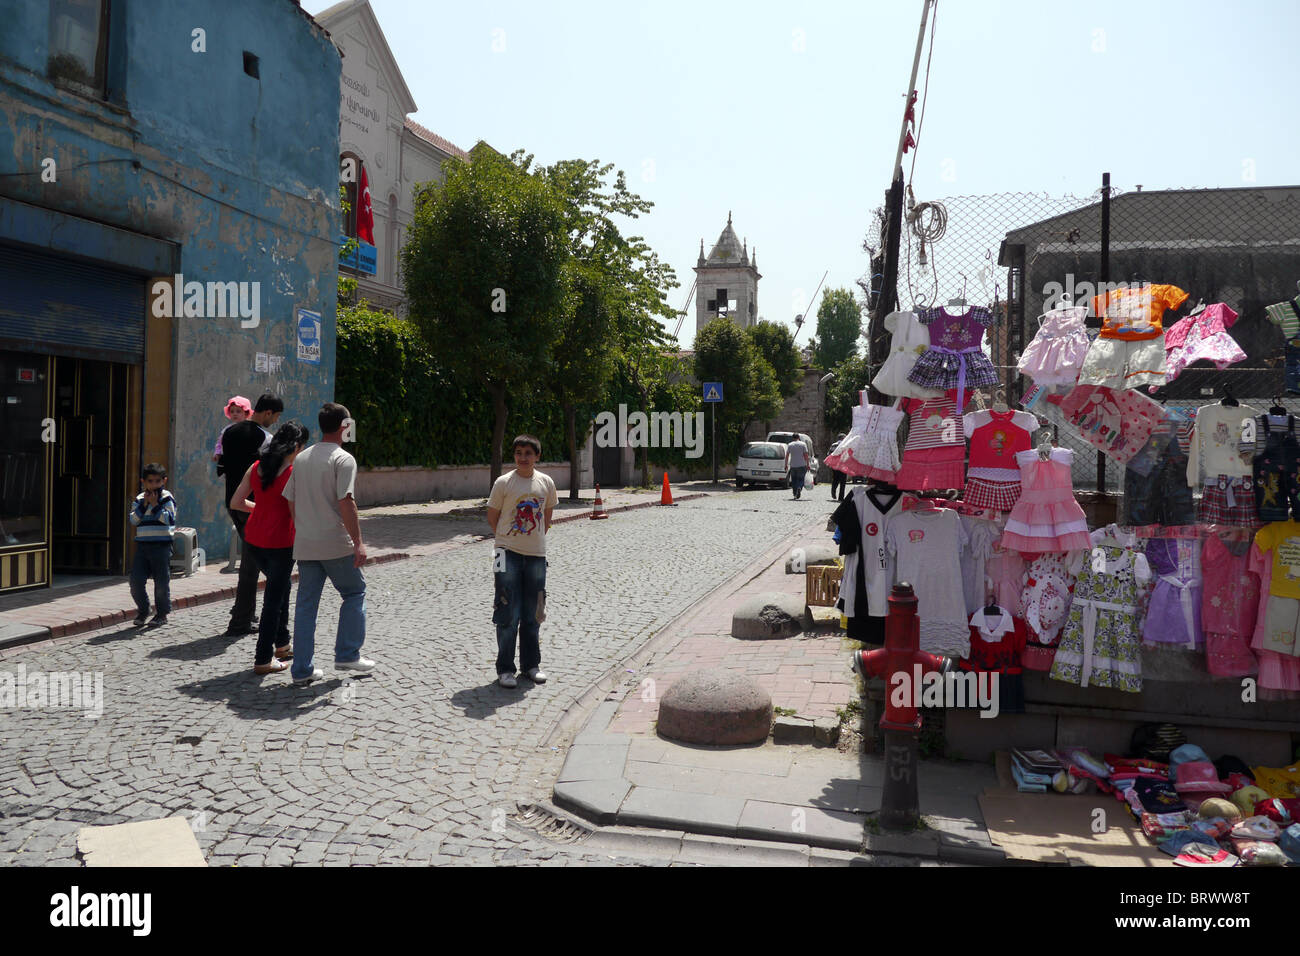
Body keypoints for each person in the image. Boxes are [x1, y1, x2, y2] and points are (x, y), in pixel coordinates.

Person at [283, 403, 372, 684]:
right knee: (355, 592)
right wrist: (358, 542)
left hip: (306, 543)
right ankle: (347, 654)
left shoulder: (302, 458)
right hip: (334, 542)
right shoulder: (343, 459)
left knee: (306, 606)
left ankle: (301, 670)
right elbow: (346, 501)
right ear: (345, 426)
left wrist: (302, 526)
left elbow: (290, 498)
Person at [230, 421, 309, 675]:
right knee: (273, 601)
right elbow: (297, 515)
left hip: (254, 540)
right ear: (296, 447)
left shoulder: (256, 467)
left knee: (281, 586)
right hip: (281, 542)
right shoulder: (293, 474)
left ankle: (283, 644)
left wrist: (261, 509)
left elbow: (237, 502)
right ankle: (263, 658)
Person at [486, 435, 558, 688]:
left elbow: (546, 519)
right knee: (506, 611)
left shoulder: (546, 483)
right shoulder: (503, 482)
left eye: (528, 453)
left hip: (537, 555)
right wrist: (506, 541)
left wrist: (532, 542)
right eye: (518, 452)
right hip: (505, 553)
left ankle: (531, 666)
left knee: (533, 612)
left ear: (537, 456)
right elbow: (492, 516)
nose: (523, 457)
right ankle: (505, 669)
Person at [221, 392, 283, 636]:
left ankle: (242, 615)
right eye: (275, 416)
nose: (274, 421)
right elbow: (268, 473)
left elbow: (224, 465)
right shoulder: (265, 438)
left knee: (251, 560)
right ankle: (240, 621)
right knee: (254, 563)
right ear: (267, 412)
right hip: (253, 506)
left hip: (233, 502)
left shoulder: (229, 432)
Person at [129, 463, 176, 627]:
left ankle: (162, 613)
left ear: (164, 480)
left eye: (157, 481)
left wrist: (155, 505)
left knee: (161, 582)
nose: (154, 485)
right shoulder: (140, 499)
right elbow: (133, 520)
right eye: (150, 481)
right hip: (142, 546)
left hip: (161, 546)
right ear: (144, 482)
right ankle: (144, 609)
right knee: (136, 581)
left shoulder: (167, 498)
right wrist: (144, 506)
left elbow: (170, 520)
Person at [213, 395, 252, 475]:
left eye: (238, 411)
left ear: (246, 413)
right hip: (231, 465)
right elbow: (220, 443)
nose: (235, 414)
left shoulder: (251, 429)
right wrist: (217, 453)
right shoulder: (227, 430)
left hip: (246, 464)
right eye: (232, 411)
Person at [785, 435, 810, 500]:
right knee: (801, 479)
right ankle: (799, 488)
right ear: (799, 438)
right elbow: (806, 455)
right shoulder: (803, 444)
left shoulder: (790, 445)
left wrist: (786, 465)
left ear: (793, 438)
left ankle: (795, 493)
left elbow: (787, 455)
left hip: (793, 465)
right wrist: (808, 464)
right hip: (802, 465)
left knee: (794, 480)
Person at [829, 433, 848, 501]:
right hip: (843, 465)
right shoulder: (846, 445)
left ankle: (833, 491)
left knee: (835, 479)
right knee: (843, 482)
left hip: (835, 465)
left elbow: (829, 454)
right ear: (843, 438)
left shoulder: (833, 445)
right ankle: (841, 498)